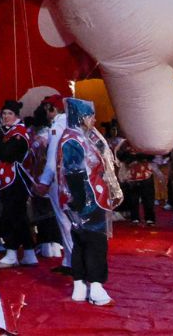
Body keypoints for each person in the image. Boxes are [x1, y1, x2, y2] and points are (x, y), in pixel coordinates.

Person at [53, 98, 120, 307]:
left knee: (81, 241)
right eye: (90, 115)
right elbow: (73, 171)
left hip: (88, 197)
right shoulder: (73, 139)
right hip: (87, 199)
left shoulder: (83, 137)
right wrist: (80, 199)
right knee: (94, 242)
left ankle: (80, 286)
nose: (94, 119)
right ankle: (96, 287)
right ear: (81, 117)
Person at [0, 101, 37, 268]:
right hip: (7, 182)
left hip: (16, 182)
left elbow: (7, 155)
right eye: (3, 114)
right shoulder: (9, 132)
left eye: (9, 114)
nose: (5, 117)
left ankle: (11, 252)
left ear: (17, 115)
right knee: (19, 217)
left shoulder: (19, 133)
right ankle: (29, 253)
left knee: (11, 216)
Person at [31, 96, 70, 263]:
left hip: (59, 179)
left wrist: (45, 181)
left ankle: (73, 261)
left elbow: (52, 157)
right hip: (71, 178)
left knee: (64, 220)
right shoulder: (71, 124)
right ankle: (69, 259)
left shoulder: (57, 126)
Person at [115, 132, 157, 226]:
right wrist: (131, 158)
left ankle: (149, 218)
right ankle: (135, 217)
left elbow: (152, 156)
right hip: (133, 175)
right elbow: (119, 155)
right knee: (133, 198)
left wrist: (136, 157)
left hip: (145, 173)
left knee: (148, 198)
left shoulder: (146, 143)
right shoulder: (125, 143)